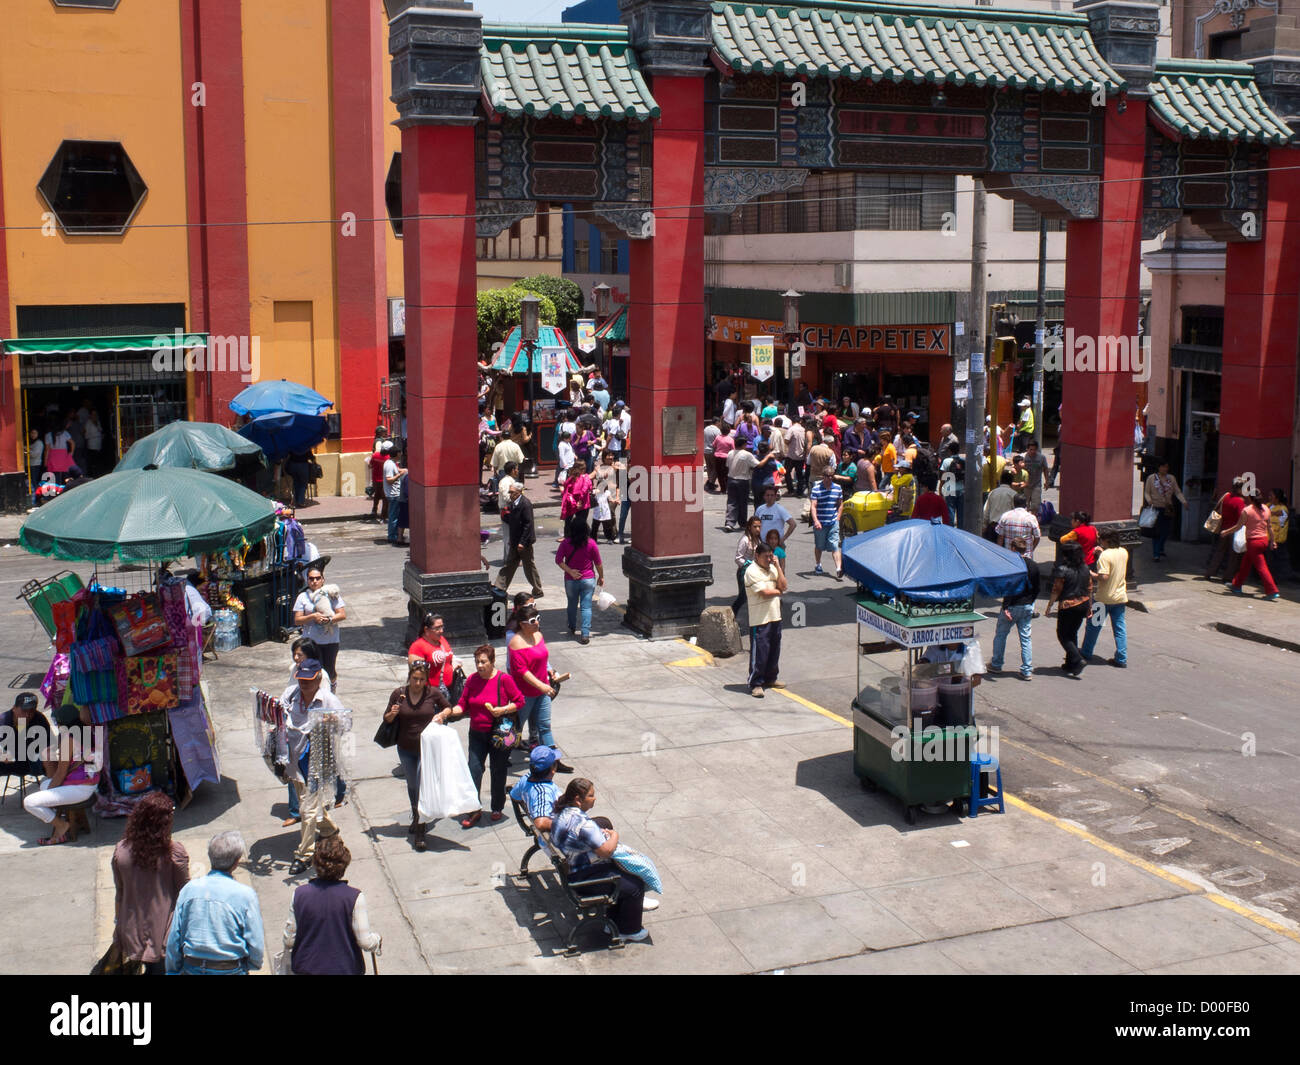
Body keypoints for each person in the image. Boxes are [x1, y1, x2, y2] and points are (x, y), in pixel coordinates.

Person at [433, 645, 523, 828]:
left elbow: (520, 701)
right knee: (473, 770)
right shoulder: (473, 680)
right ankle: (474, 809)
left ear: (492, 661)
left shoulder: (503, 679)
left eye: (483, 662)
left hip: (499, 733)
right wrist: (448, 713)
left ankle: (497, 806)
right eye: (477, 662)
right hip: (477, 733)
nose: (480, 666)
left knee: (498, 770)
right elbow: (462, 705)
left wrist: (503, 709)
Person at [550, 778, 650, 942]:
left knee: (603, 824)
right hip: (584, 878)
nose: (594, 798)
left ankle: (613, 920)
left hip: (573, 864)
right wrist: (614, 836)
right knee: (635, 887)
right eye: (591, 795)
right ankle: (629, 930)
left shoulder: (562, 812)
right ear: (577, 799)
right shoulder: (583, 824)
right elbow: (606, 851)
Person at [112, 791, 190, 975]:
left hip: (131, 931)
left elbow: (120, 892)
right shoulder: (173, 852)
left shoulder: (121, 850)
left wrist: (118, 927)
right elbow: (186, 892)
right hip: (164, 934)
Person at [166, 831, 264, 974]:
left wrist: (173, 970)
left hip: (193, 967)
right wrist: (250, 964)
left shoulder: (189, 890)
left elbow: (174, 937)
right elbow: (256, 942)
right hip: (231, 968)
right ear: (236, 862)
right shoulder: (245, 895)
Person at [283, 835, 381, 975]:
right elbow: (365, 942)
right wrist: (376, 940)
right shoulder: (354, 897)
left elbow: (289, 941)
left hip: (306, 968)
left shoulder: (299, 894)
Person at [284, 658, 345, 876]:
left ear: (318, 679)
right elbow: (279, 717)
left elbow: (346, 723)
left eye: (309, 681)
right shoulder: (291, 696)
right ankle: (330, 831)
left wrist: (331, 721)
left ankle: (304, 855)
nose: (304, 685)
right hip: (296, 759)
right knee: (306, 804)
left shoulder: (328, 699)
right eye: (301, 680)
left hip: (319, 761)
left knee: (307, 810)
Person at [382, 659, 450, 850]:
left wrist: (441, 715)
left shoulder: (432, 693)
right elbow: (386, 718)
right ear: (409, 677)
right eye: (414, 679)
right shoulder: (399, 694)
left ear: (426, 680)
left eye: (421, 680)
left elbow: (448, 707)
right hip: (405, 748)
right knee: (412, 785)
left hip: (426, 749)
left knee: (421, 785)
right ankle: (416, 813)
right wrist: (393, 713)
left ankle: (420, 827)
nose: (418, 683)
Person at [507, 605, 573, 771]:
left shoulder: (538, 635)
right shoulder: (516, 643)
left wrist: (549, 670)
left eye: (538, 619)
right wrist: (542, 686)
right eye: (532, 621)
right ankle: (502, 755)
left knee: (544, 725)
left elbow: (542, 657)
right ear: (522, 624)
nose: (536, 623)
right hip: (524, 694)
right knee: (516, 727)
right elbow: (521, 672)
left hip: (542, 691)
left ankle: (553, 761)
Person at [23, 704, 100, 844]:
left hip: (79, 788)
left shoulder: (68, 739)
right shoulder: (89, 732)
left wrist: (51, 802)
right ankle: (65, 816)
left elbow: (60, 773)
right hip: (91, 785)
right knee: (45, 785)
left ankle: (61, 826)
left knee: (30, 802)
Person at [989, 542, 1039, 680]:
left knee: (1001, 634)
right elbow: (1037, 588)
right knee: (1025, 637)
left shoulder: (1012, 566)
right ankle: (1027, 670)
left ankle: (996, 664)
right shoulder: (1034, 565)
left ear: (1013, 549)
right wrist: (1031, 601)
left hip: (1012, 606)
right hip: (1027, 606)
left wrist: (1005, 607)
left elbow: (1009, 589)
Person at [745, 542, 787, 697]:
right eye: (766, 556)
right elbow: (764, 592)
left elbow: (784, 585)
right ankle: (755, 683)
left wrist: (778, 567)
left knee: (774, 650)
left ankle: (770, 678)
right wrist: (779, 592)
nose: (769, 559)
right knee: (760, 653)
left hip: (775, 615)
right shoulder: (752, 571)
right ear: (757, 556)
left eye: (771, 556)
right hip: (759, 618)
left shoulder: (773, 569)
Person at [293, 566, 346, 689]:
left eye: (317, 578)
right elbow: (297, 620)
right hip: (310, 643)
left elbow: (342, 614)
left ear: (323, 579)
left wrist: (329, 620)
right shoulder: (302, 597)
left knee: (329, 671)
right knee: (310, 670)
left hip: (330, 641)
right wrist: (312, 617)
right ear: (307, 580)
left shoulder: (332, 594)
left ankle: (331, 689)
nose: (314, 581)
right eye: (311, 579)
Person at [1082, 530, 1130, 666]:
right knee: (1120, 628)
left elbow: (1104, 576)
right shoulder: (1123, 552)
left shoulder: (1105, 557)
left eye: (1100, 539)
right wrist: (1101, 553)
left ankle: (1086, 651)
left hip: (1103, 598)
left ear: (1106, 541)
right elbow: (1113, 563)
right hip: (1120, 597)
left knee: (1094, 626)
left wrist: (1091, 573)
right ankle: (1121, 658)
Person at [1045, 541, 1092, 677]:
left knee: (1063, 635)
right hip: (1083, 603)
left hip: (1068, 606)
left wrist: (1050, 606)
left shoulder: (1062, 569)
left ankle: (1077, 660)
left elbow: (1056, 590)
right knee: (1072, 633)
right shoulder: (1085, 568)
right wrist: (1090, 607)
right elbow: (1089, 589)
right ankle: (1070, 664)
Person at [556, 518, 605, 644]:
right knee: (586, 607)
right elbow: (598, 563)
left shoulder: (565, 543)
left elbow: (559, 560)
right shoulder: (591, 543)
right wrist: (601, 576)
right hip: (588, 579)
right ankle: (585, 634)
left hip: (571, 580)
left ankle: (572, 626)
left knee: (572, 604)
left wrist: (570, 571)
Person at [1225, 493, 1280, 600]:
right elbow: (1269, 527)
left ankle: (1272, 591)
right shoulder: (1266, 508)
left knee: (1262, 567)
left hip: (1253, 542)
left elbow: (1238, 526)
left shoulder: (1247, 510)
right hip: (1263, 540)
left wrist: (1225, 532)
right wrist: (1272, 541)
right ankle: (1236, 585)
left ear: (1250, 498)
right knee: (1246, 564)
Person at [497, 481, 544, 598]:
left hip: (524, 543)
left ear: (518, 492)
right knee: (509, 565)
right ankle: (499, 587)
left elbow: (528, 525)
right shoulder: (513, 504)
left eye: (512, 492)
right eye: (509, 492)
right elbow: (513, 523)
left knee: (529, 566)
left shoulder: (525, 504)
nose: (510, 494)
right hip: (515, 542)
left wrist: (522, 542)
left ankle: (538, 589)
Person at [0, 692, 52, 781]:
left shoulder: (39, 719)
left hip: (32, 762)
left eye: (31, 711)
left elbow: (49, 744)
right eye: (24, 711)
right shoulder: (4, 721)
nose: (27, 715)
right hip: (11, 762)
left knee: (50, 759)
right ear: (14, 708)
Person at [1143, 459, 1187, 562]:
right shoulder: (1151, 478)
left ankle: (1161, 547)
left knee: (1166, 531)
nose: (1165, 469)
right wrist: (1150, 501)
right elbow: (1147, 492)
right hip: (1156, 508)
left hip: (1168, 508)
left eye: (1167, 467)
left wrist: (1183, 501)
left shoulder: (1171, 478)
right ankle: (1156, 553)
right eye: (1163, 467)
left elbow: (1177, 491)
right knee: (1156, 532)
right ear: (1159, 467)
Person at [510, 745, 561, 830]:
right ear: (553, 769)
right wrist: (566, 824)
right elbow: (540, 823)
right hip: (552, 840)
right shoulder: (543, 792)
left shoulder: (526, 778)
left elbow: (514, 795)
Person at [409, 612, 457, 701]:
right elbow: (416, 675)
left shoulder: (441, 640)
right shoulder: (417, 647)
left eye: (442, 626)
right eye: (437, 628)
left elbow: (448, 657)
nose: (441, 631)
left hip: (447, 690)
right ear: (426, 630)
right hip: (430, 695)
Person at [1205, 477, 1247, 580]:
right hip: (1234, 530)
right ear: (1240, 489)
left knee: (1219, 552)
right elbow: (1241, 517)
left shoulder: (1226, 496)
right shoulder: (1240, 501)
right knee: (1233, 556)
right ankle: (1228, 576)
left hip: (1223, 528)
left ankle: (1210, 572)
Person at [809, 464, 844, 579]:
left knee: (834, 545)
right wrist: (816, 521)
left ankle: (838, 569)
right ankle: (818, 564)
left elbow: (840, 504)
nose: (829, 478)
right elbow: (813, 506)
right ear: (823, 476)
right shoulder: (816, 489)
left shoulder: (837, 488)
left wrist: (838, 518)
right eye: (827, 476)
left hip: (833, 521)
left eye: (831, 476)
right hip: (821, 522)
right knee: (819, 546)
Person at [731, 516, 763, 619]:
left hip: (756, 572)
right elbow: (738, 558)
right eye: (755, 527)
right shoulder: (745, 540)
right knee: (743, 596)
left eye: (759, 527)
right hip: (744, 572)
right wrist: (747, 564)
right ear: (749, 527)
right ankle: (731, 615)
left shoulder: (758, 540)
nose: (757, 529)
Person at [724, 440, 759, 531]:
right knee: (742, 502)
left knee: (731, 501)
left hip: (731, 479)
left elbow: (728, 465)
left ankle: (729, 522)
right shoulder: (747, 454)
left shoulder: (730, 453)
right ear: (744, 444)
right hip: (743, 480)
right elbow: (757, 465)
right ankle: (742, 523)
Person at [995, 493, 1041, 558]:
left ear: (1013, 503)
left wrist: (999, 553)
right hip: (1026, 556)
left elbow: (1000, 537)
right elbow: (1037, 537)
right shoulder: (1031, 518)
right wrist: (1031, 550)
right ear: (1026, 504)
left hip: (1009, 555)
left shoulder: (1005, 516)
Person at [495, 460, 520, 562]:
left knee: (511, 534)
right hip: (507, 510)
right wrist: (517, 497)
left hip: (510, 510)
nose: (518, 470)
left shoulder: (510, 481)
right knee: (508, 535)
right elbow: (506, 497)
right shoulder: (506, 482)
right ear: (512, 470)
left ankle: (508, 557)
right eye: (516, 468)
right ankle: (511, 558)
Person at [383, 447, 407, 545]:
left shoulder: (392, 463)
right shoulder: (389, 465)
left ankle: (395, 535)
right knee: (394, 516)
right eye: (400, 452)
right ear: (397, 453)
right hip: (393, 494)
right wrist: (400, 475)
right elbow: (389, 480)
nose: (401, 454)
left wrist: (403, 470)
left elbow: (397, 470)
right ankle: (392, 536)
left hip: (395, 493)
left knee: (395, 515)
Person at [1022, 440, 1048, 517]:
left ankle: (1034, 520)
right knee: (1025, 505)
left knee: (1035, 506)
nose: (1033, 451)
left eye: (1034, 449)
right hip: (1025, 485)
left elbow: (1045, 469)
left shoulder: (1041, 457)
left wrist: (1047, 481)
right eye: (1031, 449)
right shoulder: (1023, 457)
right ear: (1027, 449)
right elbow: (1016, 467)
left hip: (1036, 484)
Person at [784, 414, 808, 497]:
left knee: (786, 472)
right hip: (801, 456)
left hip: (791, 455)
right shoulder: (804, 429)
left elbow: (786, 440)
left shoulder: (791, 429)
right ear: (800, 421)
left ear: (792, 421)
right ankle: (799, 492)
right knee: (799, 474)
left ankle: (790, 490)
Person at [712, 424, 735, 495]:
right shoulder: (730, 439)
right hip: (726, 458)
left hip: (717, 457)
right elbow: (733, 449)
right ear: (728, 431)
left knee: (719, 474)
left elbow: (713, 445)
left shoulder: (718, 437)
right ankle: (727, 488)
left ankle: (723, 489)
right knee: (726, 473)